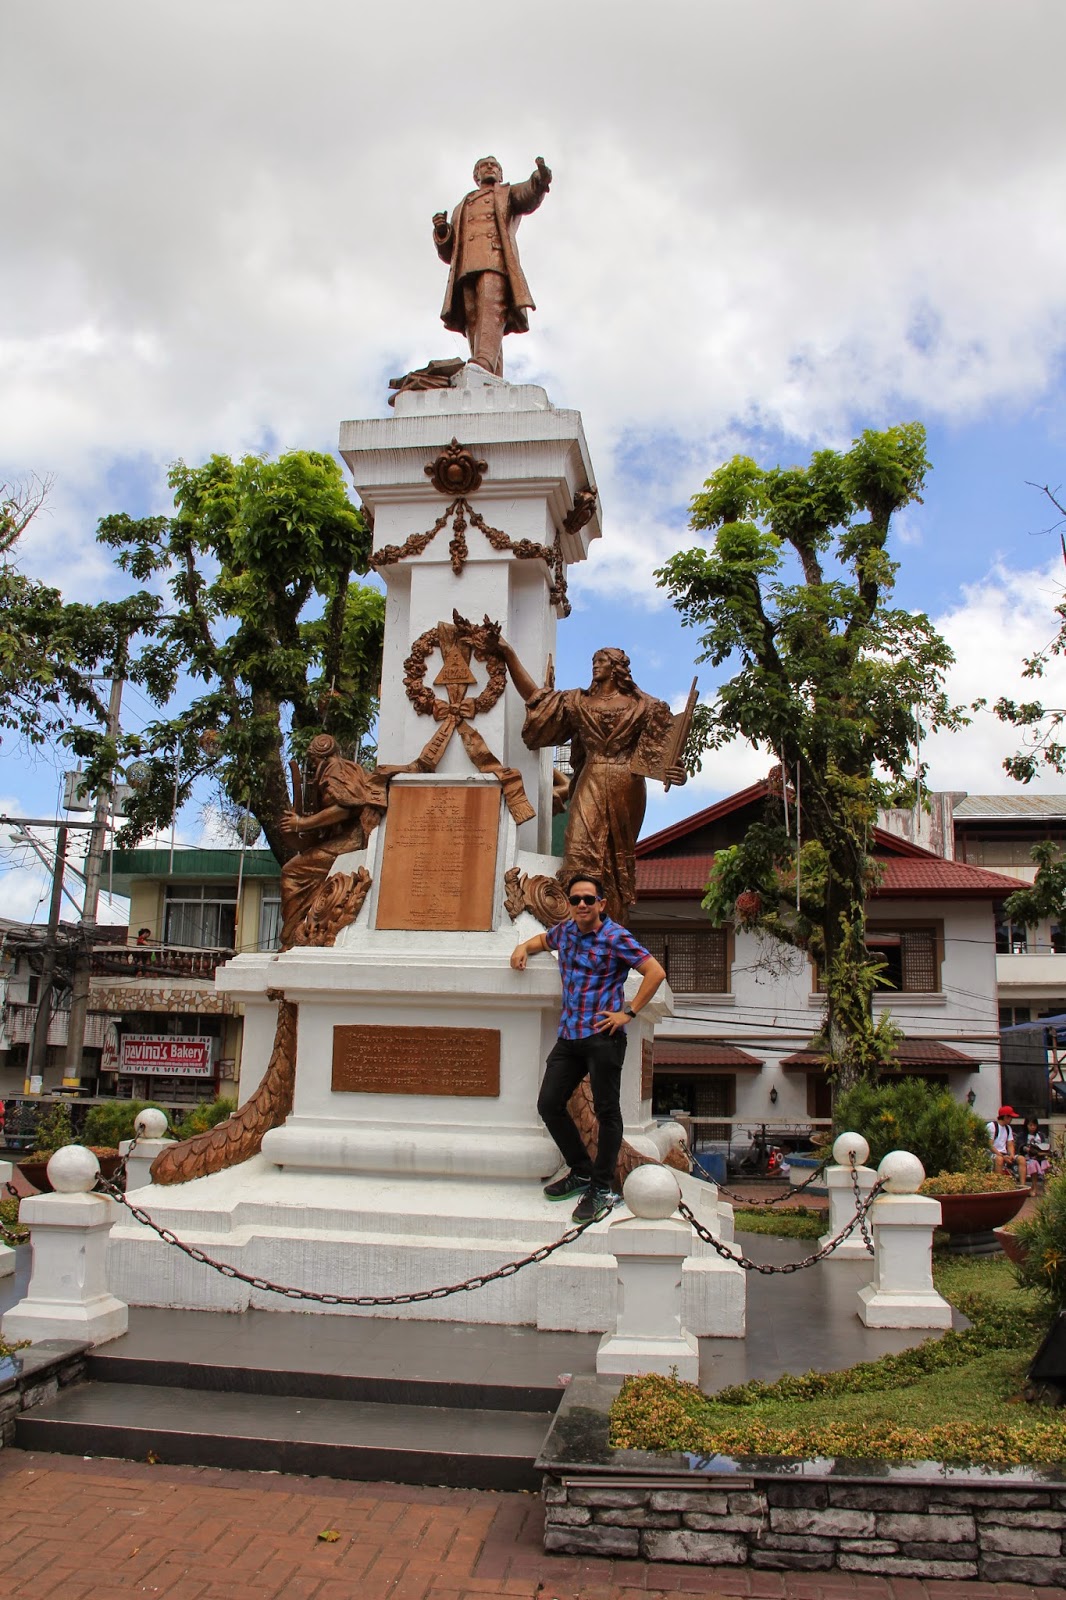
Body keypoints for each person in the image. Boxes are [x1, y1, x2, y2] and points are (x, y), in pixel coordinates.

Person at [510, 873, 667, 1222]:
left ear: (601, 903)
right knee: (549, 1103)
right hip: (569, 1036)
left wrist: (629, 1012)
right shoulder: (565, 931)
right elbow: (542, 940)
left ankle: (602, 1186)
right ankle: (581, 1170)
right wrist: (522, 948)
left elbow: (655, 972)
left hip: (603, 1037)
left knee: (607, 1112)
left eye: (588, 899)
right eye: (576, 899)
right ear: (569, 903)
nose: (582, 904)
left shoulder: (615, 936)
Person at [496, 641, 687, 922]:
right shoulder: (578, 702)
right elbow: (537, 700)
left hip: (627, 786)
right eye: (594, 660)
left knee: (615, 860)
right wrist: (509, 655)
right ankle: (580, 925)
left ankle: (611, 927)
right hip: (591, 780)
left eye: (602, 660)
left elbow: (663, 757)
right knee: (578, 852)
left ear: (616, 668)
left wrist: (677, 773)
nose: (595, 665)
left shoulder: (646, 706)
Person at [433, 155, 551, 377]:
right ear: (476, 176)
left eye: (494, 166)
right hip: (467, 266)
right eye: (483, 166)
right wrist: (442, 232)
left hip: (495, 260)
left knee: (492, 309)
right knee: (473, 318)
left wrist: (539, 179)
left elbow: (528, 194)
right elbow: (450, 252)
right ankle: (490, 372)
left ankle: (484, 361)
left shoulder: (507, 193)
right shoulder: (462, 206)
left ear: (500, 174)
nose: (489, 168)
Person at [279, 734, 388, 948]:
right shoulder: (341, 769)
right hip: (344, 838)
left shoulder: (334, 770)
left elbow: (345, 808)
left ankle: (290, 936)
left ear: (323, 756)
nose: (313, 765)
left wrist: (302, 823)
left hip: (351, 840)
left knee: (292, 872)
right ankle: (298, 930)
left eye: (314, 760)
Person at [987, 1104, 1019, 1179]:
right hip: (993, 1153)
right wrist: (1002, 1156)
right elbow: (990, 1145)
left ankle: (1022, 1183)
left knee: (1021, 1159)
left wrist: (1012, 1155)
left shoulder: (1008, 1128)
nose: (1011, 1119)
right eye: (1010, 1117)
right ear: (1005, 1117)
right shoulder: (992, 1126)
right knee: (999, 1159)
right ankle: (1000, 1183)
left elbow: (1010, 1144)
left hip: (1004, 1153)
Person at [1020, 1115, 1050, 1185]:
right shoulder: (1023, 1135)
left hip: (1040, 1156)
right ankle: (1034, 1186)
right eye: (1030, 1125)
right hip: (1028, 1157)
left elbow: (1044, 1145)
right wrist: (1027, 1149)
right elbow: (1020, 1146)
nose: (1033, 1127)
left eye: (1034, 1125)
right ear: (1026, 1125)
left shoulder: (1040, 1135)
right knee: (1033, 1163)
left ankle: (1047, 1185)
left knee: (1045, 1163)